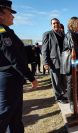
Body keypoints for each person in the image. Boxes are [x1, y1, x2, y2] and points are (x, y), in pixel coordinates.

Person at [0, 1, 38, 132]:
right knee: (4, 115)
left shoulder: (7, 30)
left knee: (15, 117)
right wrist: (31, 77)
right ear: (1, 15)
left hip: (12, 78)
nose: (13, 16)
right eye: (10, 13)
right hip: (8, 78)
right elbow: (14, 58)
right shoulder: (2, 32)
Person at [42, 18, 67, 103]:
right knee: (56, 80)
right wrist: (45, 62)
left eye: (57, 23)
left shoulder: (63, 34)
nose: (56, 24)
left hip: (64, 61)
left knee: (63, 79)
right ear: (51, 25)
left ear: (60, 24)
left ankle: (63, 94)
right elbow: (44, 49)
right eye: (54, 23)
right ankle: (58, 97)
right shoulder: (47, 34)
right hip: (54, 62)